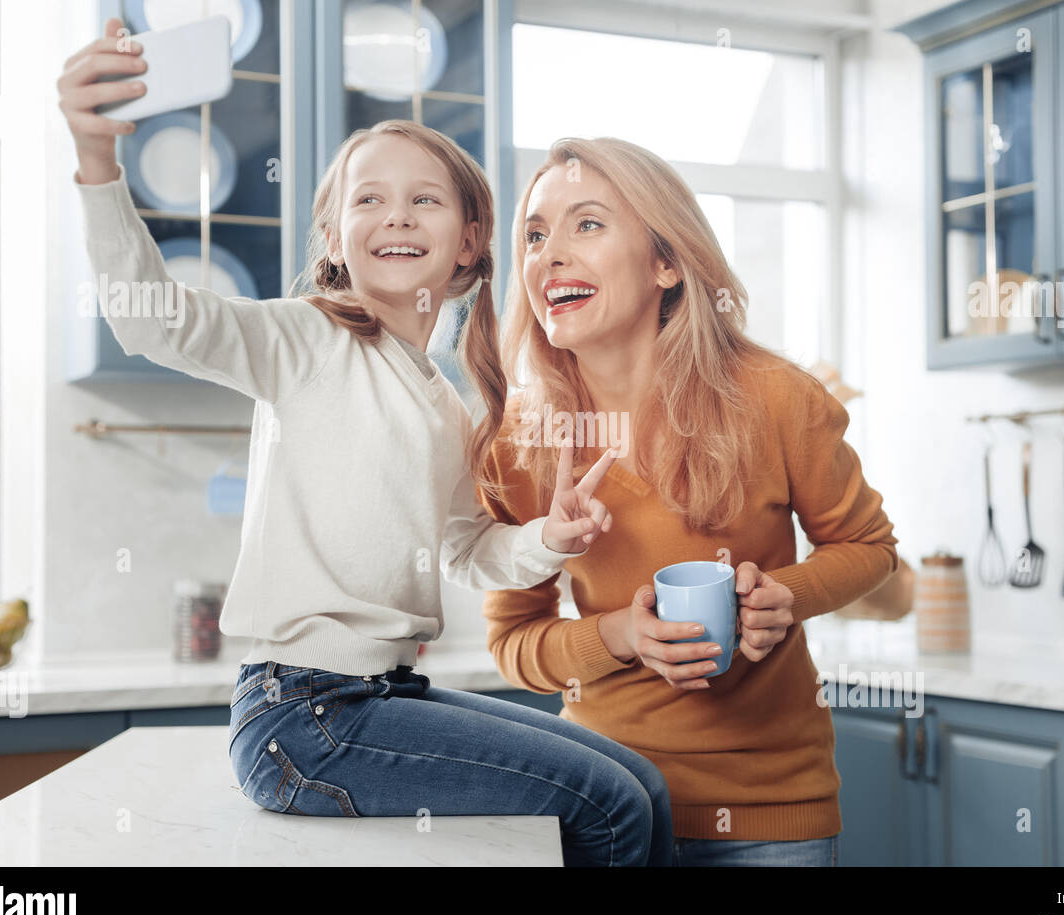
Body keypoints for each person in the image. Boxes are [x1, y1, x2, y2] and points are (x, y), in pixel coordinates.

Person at [56, 20, 673, 866]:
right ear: (336, 242)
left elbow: (464, 550)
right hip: (302, 719)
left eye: (425, 199)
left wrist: (547, 541)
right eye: (369, 199)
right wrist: (98, 159)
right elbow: (150, 318)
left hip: (378, 696)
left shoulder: (444, 403)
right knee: (608, 805)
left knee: (643, 783)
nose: (397, 215)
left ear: (468, 242)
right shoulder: (307, 340)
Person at [479, 136, 900, 866]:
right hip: (607, 805)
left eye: (587, 224)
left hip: (774, 810)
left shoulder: (776, 399)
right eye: (535, 235)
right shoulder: (523, 443)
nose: (548, 254)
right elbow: (513, 643)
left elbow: (872, 550)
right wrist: (618, 636)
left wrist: (785, 596)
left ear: (666, 263)